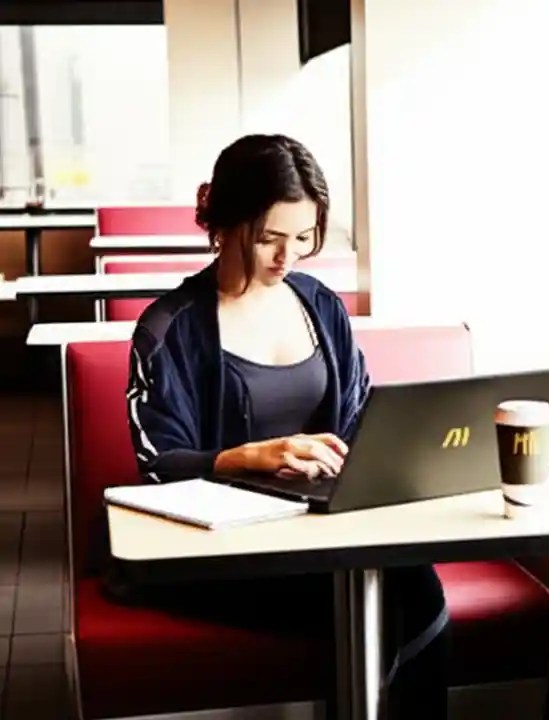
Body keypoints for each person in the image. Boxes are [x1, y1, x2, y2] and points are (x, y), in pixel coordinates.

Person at [121, 133, 448, 718]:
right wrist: (246, 457)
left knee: (407, 584)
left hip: (321, 532)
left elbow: (358, 416)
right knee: (392, 596)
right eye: (269, 238)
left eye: (303, 238)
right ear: (224, 223)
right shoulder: (170, 327)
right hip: (223, 550)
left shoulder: (320, 305)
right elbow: (156, 463)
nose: (286, 257)